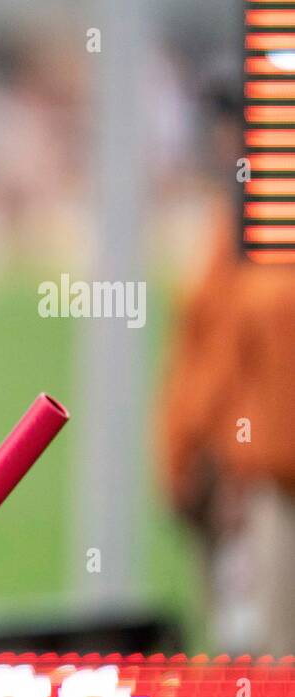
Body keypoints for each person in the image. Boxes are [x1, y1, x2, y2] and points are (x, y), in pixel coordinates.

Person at [158, 73, 295, 658]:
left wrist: (232, 460)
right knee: (246, 649)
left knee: (270, 656)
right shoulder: (236, 216)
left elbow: (250, 354)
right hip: (242, 468)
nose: (225, 145)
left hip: (269, 474)